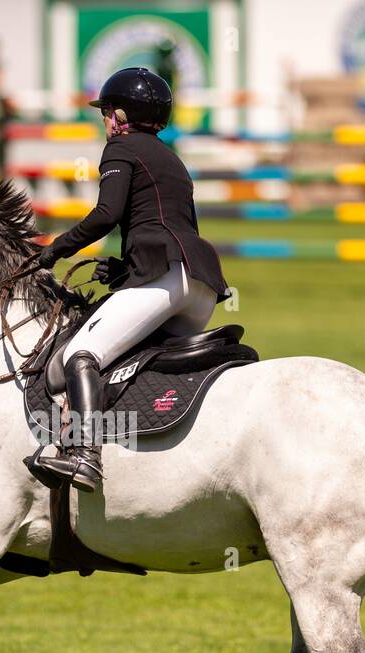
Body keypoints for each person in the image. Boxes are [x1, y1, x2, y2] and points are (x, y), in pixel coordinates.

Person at [28, 66, 230, 493]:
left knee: (80, 353)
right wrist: (126, 270)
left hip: (168, 281)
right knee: (128, 359)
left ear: (120, 115)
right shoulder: (170, 158)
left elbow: (107, 215)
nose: (104, 121)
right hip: (199, 285)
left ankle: (84, 455)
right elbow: (166, 225)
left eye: (105, 113)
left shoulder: (120, 148)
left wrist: (54, 249)